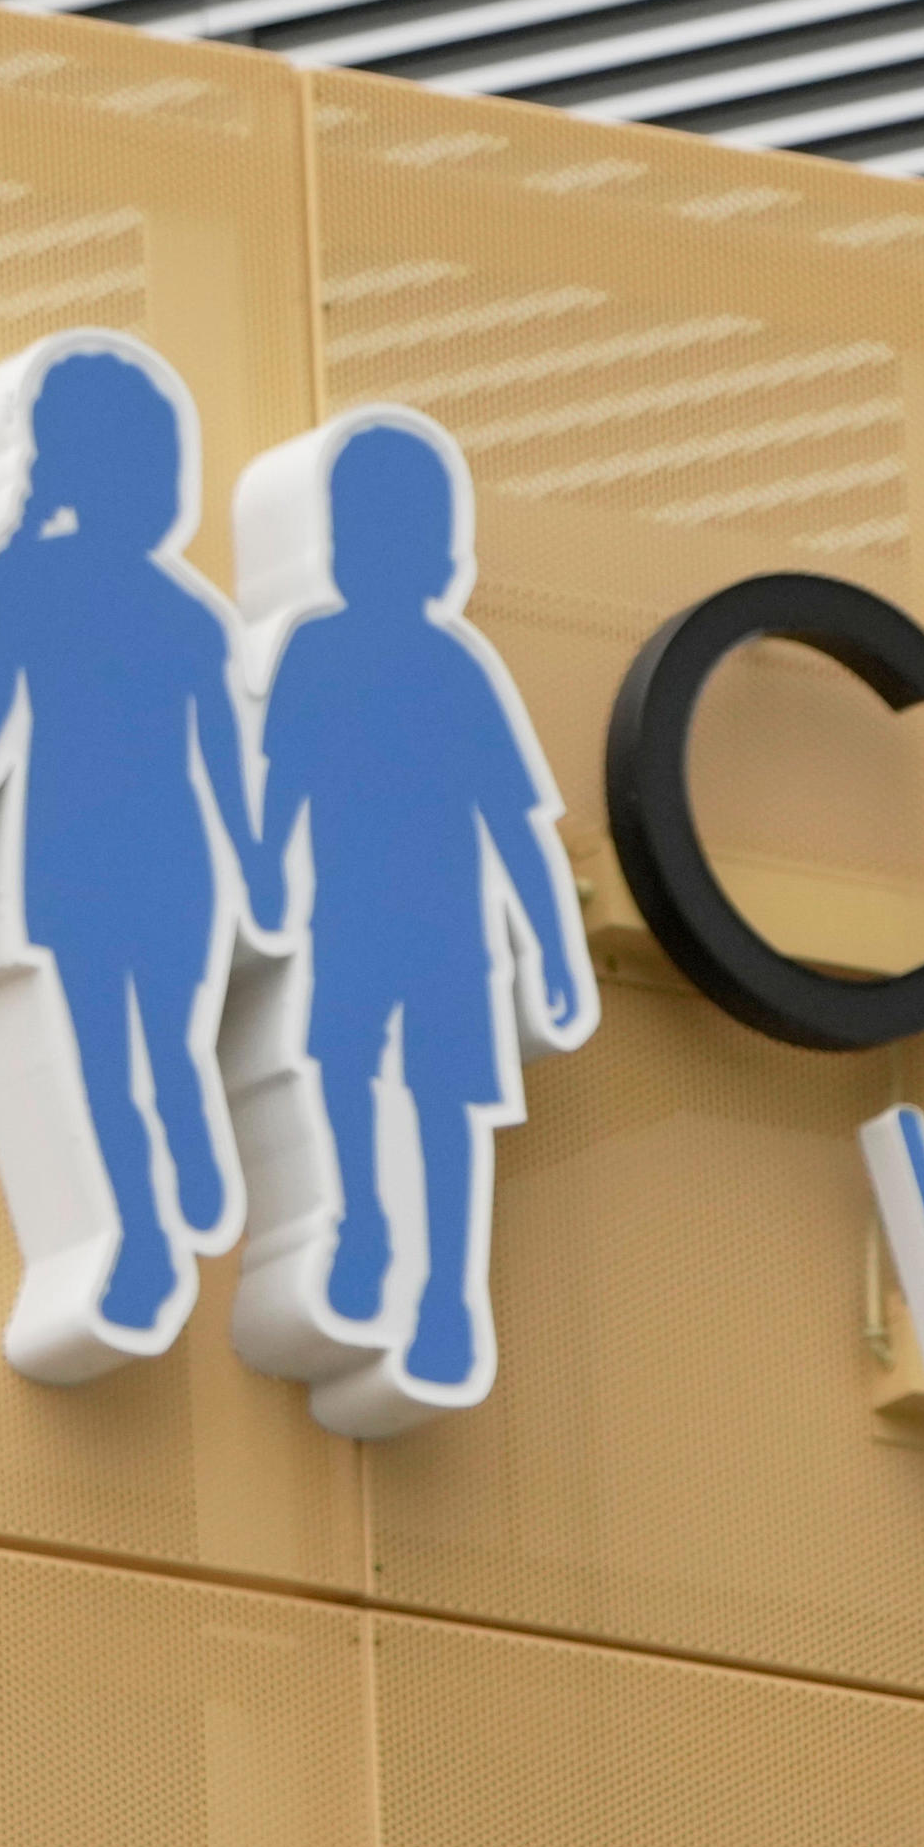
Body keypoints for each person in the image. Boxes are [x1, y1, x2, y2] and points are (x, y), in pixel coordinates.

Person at [0, 341, 275, 1351]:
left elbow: (224, 752)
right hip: (73, 859)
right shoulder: (28, 584)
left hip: (166, 864)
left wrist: (259, 859)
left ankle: (189, 1141)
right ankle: (142, 1240)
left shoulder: (187, 612)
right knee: (96, 1060)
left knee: (165, 1043)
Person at [227, 409, 596, 1435]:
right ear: (333, 546)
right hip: (346, 920)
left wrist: (553, 952)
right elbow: (278, 788)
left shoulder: (456, 668)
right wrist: (256, 876)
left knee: (446, 1107)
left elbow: (515, 824)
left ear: (443, 554)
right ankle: (362, 1230)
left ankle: (442, 1296)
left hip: (449, 937)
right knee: (344, 1072)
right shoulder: (311, 650)